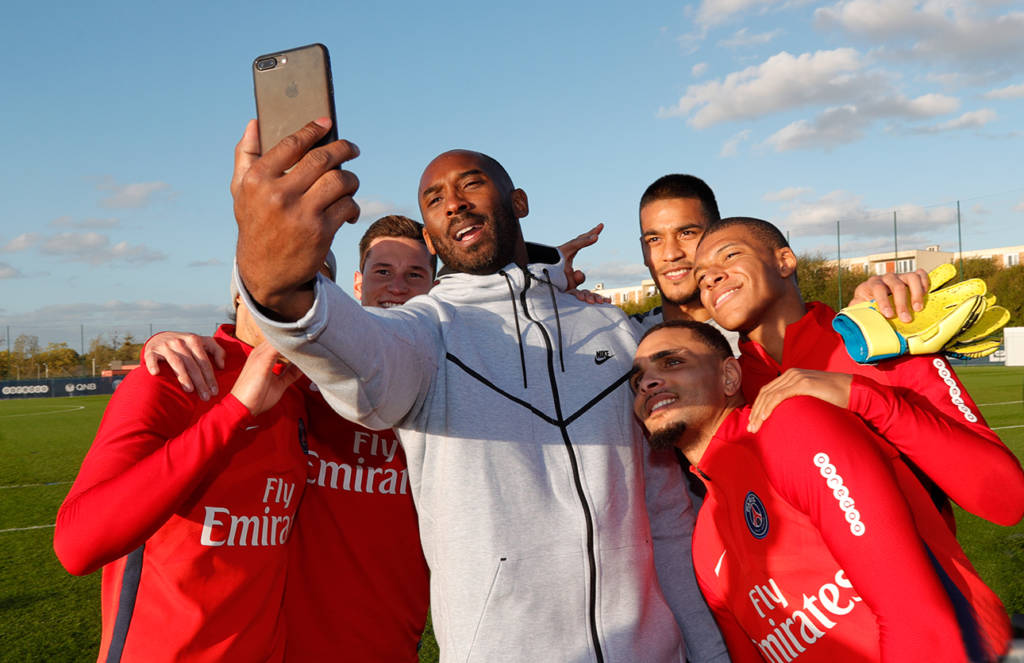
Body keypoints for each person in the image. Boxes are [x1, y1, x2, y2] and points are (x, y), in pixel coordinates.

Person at [231, 118, 728, 662]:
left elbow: (669, 522)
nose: (454, 203)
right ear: (429, 236)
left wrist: (710, 652)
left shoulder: (612, 332)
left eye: (470, 184)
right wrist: (277, 277)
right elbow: (355, 354)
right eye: (434, 198)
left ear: (518, 202)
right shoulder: (424, 331)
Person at [143, 217, 436, 662]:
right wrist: (168, 341)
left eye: (414, 275)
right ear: (356, 284)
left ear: (434, 286)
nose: (397, 286)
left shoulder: (445, 384)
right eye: (382, 272)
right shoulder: (302, 376)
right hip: (287, 644)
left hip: (392, 638)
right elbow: (252, 340)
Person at [631, 319, 1008, 662]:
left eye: (672, 362)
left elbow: (921, 623)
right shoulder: (705, 546)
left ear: (730, 377)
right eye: (637, 380)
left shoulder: (791, 429)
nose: (647, 383)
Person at [54, 279, 308, 662]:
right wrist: (235, 410)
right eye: (279, 275)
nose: (292, 292)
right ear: (239, 289)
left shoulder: (307, 388)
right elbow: (77, 546)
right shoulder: (176, 374)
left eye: (309, 282)